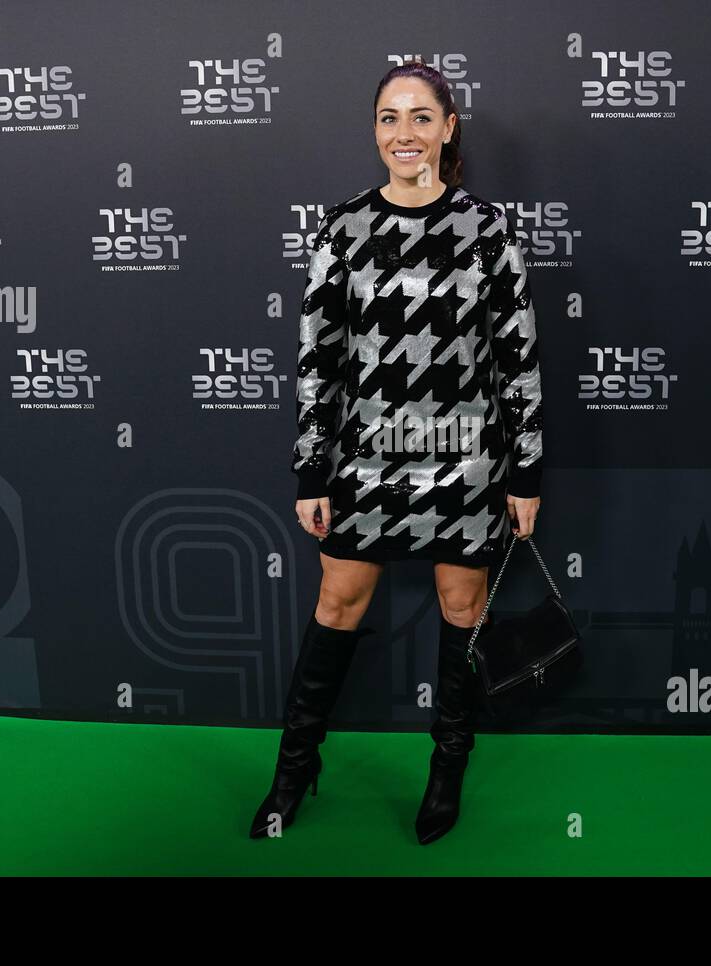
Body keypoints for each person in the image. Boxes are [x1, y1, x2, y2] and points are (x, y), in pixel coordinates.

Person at [249, 60, 544, 845]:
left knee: (461, 611)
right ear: (374, 130)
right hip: (368, 460)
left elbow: (517, 359)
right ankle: (292, 772)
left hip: (467, 462)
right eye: (388, 117)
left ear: (449, 129)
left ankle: (447, 768)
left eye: (420, 117)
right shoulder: (343, 228)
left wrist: (527, 470)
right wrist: (313, 468)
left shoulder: (489, 230)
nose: (403, 133)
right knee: (337, 604)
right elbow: (319, 359)